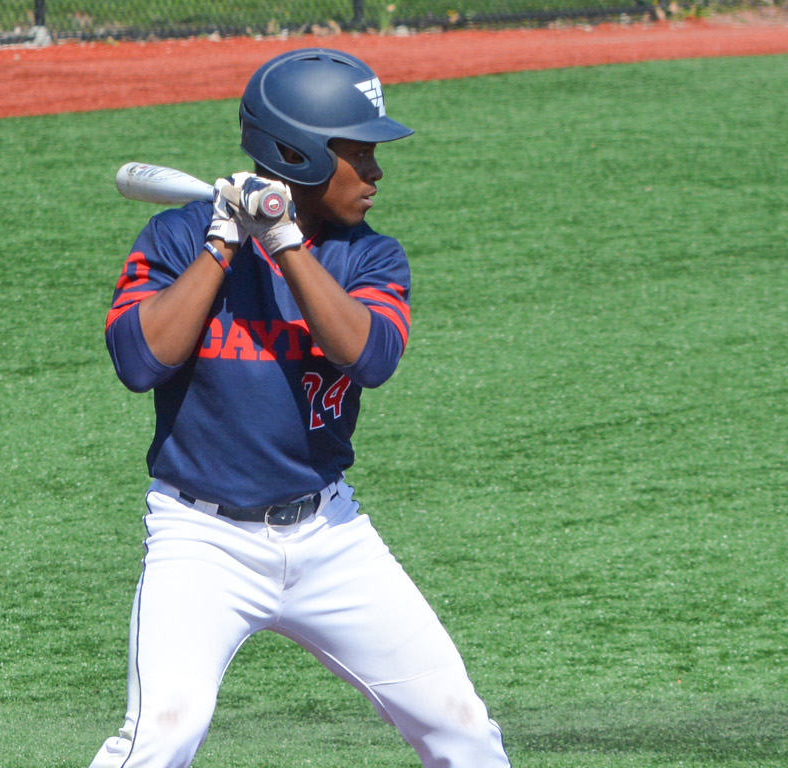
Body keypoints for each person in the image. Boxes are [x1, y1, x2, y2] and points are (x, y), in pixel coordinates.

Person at [92, 48, 510, 767]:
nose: (377, 173)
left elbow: (370, 356)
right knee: (161, 734)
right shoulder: (177, 237)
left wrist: (283, 241)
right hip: (202, 542)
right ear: (299, 153)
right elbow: (139, 360)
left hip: (331, 539)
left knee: (463, 728)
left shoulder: (372, 258)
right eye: (359, 152)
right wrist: (222, 244)